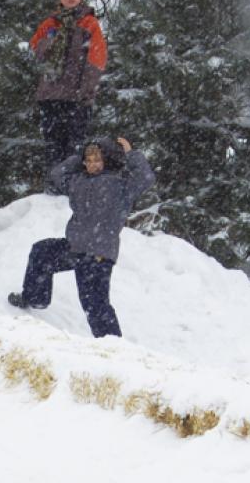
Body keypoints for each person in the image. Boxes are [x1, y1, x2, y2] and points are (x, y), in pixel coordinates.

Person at [8, 137, 153, 338]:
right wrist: (80, 155)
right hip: (73, 248)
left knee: (95, 306)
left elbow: (145, 177)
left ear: (108, 161)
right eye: (89, 160)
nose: (92, 165)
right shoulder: (78, 181)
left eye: (97, 160)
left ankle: (114, 348)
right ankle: (35, 298)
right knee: (42, 251)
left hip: (98, 256)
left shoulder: (121, 187)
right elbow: (57, 174)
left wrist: (130, 153)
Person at [30, 0, 107, 183]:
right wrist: (49, 43)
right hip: (50, 95)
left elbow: (96, 60)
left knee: (74, 144)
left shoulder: (89, 24)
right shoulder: (49, 24)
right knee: (52, 144)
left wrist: (86, 91)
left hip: (77, 97)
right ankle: (54, 185)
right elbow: (34, 51)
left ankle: (72, 186)